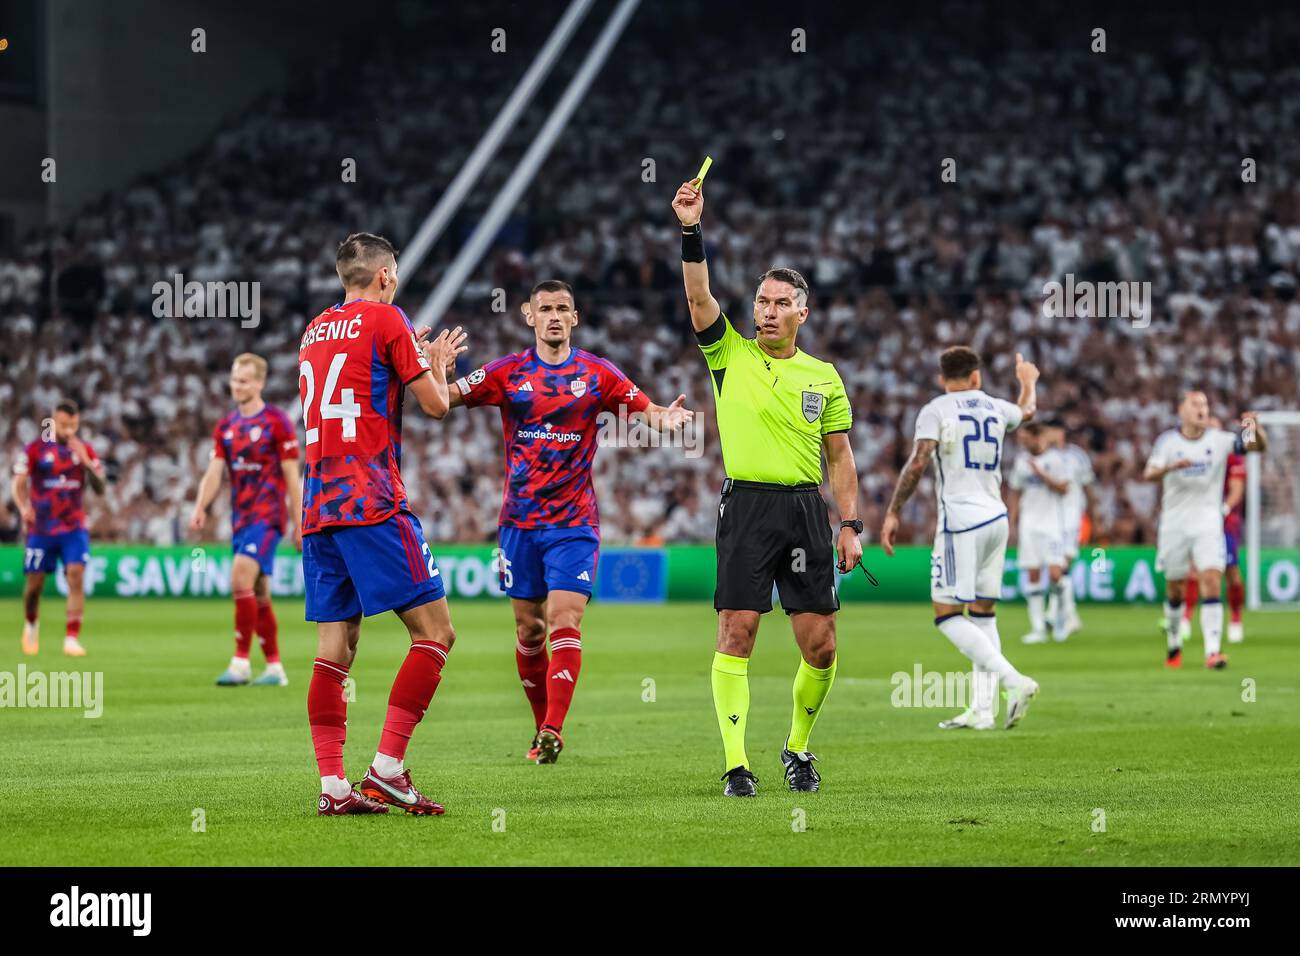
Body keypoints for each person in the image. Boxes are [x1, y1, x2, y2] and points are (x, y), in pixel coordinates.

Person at [449, 279, 693, 763]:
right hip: (518, 524)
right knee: (529, 631)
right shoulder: (508, 373)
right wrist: (432, 370)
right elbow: (443, 399)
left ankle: (554, 729)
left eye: (563, 308)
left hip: (574, 524)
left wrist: (662, 419)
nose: (555, 316)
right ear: (528, 316)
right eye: (546, 309)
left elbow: (646, 409)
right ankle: (541, 726)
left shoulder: (597, 374)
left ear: (575, 318)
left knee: (564, 619)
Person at [673, 178, 862, 797]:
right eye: (762, 301)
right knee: (737, 632)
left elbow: (840, 455)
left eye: (782, 302)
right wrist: (691, 228)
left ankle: (797, 749)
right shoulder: (729, 354)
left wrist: (851, 524)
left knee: (822, 645)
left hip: (806, 511)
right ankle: (735, 765)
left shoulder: (824, 376)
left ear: (802, 313)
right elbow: (700, 297)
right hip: (748, 507)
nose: (769, 310)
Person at [300, 232, 467, 815]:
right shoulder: (390, 319)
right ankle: (388, 768)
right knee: (436, 632)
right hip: (370, 500)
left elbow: (363, 376)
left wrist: (407, 354)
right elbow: (436, 405)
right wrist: (438, 365)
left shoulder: (313, 332)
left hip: (318, 505)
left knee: (334, 648)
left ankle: (333, 786)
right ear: (386, 277)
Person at [880, 347, 1041, 731]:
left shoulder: (936, 409)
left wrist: (893, 511)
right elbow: (1028, 412)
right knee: (983, 614)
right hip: (997, 519)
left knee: (947, 615)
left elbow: (919, 461)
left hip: (961, 523)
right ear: (975, 377)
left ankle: (1013, 681)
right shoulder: (997, 407)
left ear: (942, 379)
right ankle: (982, 711)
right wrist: (1028, 383)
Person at [190, 353, 302, 686]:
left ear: (259, 383)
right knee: (259, 592)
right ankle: (275, 668)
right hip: (240, 518)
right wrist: (200, 506)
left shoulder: (277, 423)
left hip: (268, 517)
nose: (237, 386)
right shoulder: (226, 426)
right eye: (234, 380)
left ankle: (240, 663)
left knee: (240, 577)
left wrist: (300, 522)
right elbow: (214, 473)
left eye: (244, 380)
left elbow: (292, 478)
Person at [1144, 393, 1266, 670]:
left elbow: (1255, 446)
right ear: (1181, 410)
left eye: (1205, 405)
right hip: (1174, 522)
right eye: (1195, 405)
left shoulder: (1219, 439)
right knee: (1175, 588)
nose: (1202, 409)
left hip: (1208, 521)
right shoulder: (1168, 442)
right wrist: (1170, 467)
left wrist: (1253, 429)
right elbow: (1148, 473)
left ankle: (1213, 651)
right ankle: (1174, 644)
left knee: (1211, 578)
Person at [12, 399, 105, 657]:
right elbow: (18, 482)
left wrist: (87, 462)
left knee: (76, 575)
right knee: (34, 585)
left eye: (73, 425)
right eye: (64, 424)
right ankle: (31, 622)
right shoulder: (35, 449)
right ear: (53, 421)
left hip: (73, 527)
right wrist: (22, 507)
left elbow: (101, 488)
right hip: (41, 529)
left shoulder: (84, 449)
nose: (69, 430)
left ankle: (72, 638)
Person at [1007, 422, 1070, 644]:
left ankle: (1061, 619)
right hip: (1029, 525)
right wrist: (1012, 518)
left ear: (1037, 437)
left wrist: (1041, 474)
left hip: (1052, 525)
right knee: (1032, 574)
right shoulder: (1021, 462)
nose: (1023, 443)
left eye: (1026, 439)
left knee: (1055, 575)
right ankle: (1038, 628)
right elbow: (1015, 491)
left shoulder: (1055, 460)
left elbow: (1064, 489)